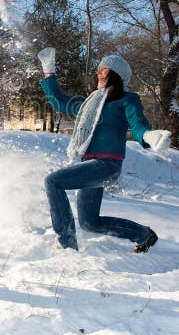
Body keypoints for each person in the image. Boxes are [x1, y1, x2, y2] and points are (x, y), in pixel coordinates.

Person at [37, 47, 170, 253]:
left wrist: (148, 136)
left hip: (107, 165)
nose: (99, 72)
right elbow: (59, 102)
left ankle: (66, 245)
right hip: (91, 165)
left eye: (104, 69)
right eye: (98, 69)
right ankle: (144, 235)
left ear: (116, 74)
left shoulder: (127, 100)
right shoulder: (90, 104)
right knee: (89, 223)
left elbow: (137, 125)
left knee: (53, 182)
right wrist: (49, 71)